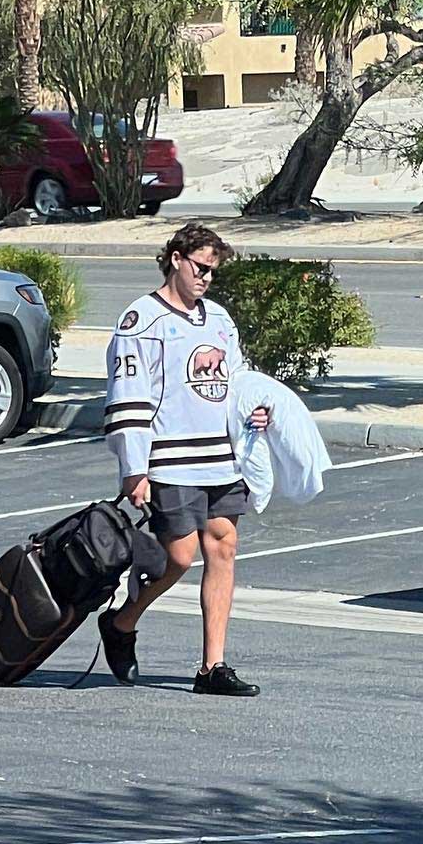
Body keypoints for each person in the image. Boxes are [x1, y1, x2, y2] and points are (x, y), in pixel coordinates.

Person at [100, 221, 270, 696]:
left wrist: (255, 410)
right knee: (179, 555)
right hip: (170, 459)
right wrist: (135, 468)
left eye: (213, 271)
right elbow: (129, 396)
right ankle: (121, 622)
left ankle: (212, 667)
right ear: (176, 259)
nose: (206, 278)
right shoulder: (141, 321)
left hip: (222, 456)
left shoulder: (217, 319)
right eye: (200, 267)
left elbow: (237, 380)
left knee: (223, 546)